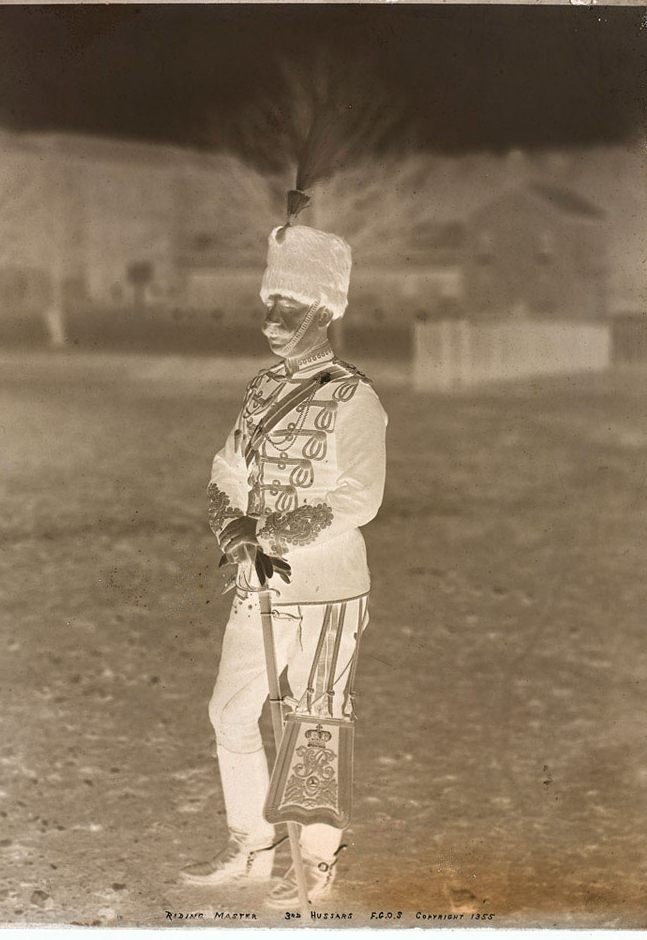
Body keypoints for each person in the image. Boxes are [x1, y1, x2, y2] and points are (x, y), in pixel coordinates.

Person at [181, 219, 388, 906]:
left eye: (289, 305)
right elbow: (226, 467)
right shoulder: (260, 390)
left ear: (325, 309)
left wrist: (264, 528)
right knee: (230, 713)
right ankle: (251, 846)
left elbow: (357, 500)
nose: (271, 317)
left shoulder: (354, 397)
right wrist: (233, 528)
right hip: (256, 583)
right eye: (268, 300)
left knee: (315, 720)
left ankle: (317, 863)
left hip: (328, 591)